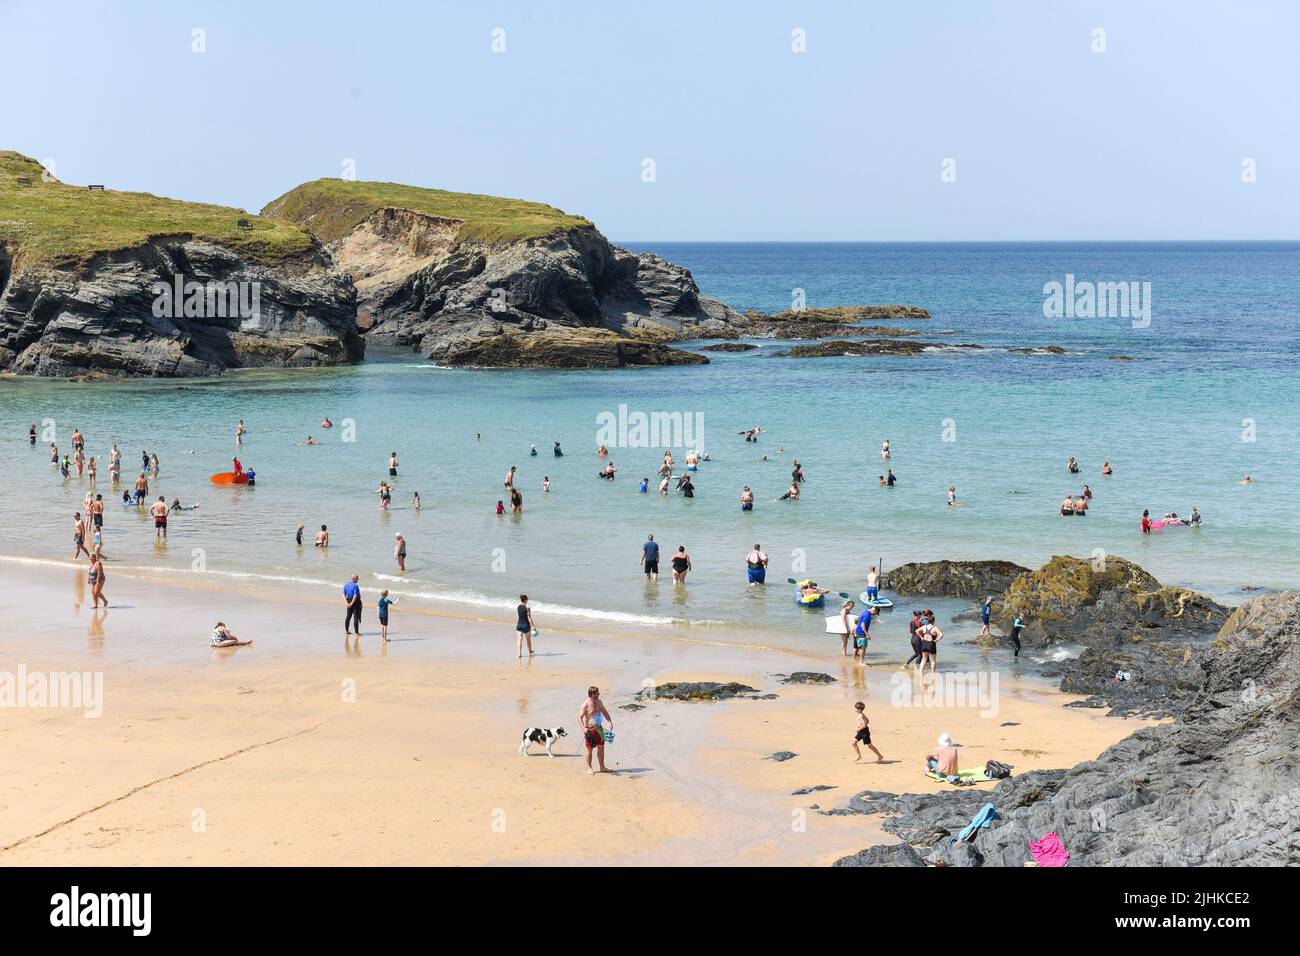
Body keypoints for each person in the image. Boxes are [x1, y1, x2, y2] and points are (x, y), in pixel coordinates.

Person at [578, 685, 614, 774]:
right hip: (589, 730)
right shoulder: (586, 704)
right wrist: (583, 729)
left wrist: (610, 722)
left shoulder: (599, 702)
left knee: (601, 748)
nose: (599, 694)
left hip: (599, 729)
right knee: (590, 750)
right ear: (593, 693)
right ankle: (589, 768)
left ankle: (602, 767)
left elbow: (605, 712)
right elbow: (579, 717)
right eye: (597, 693)